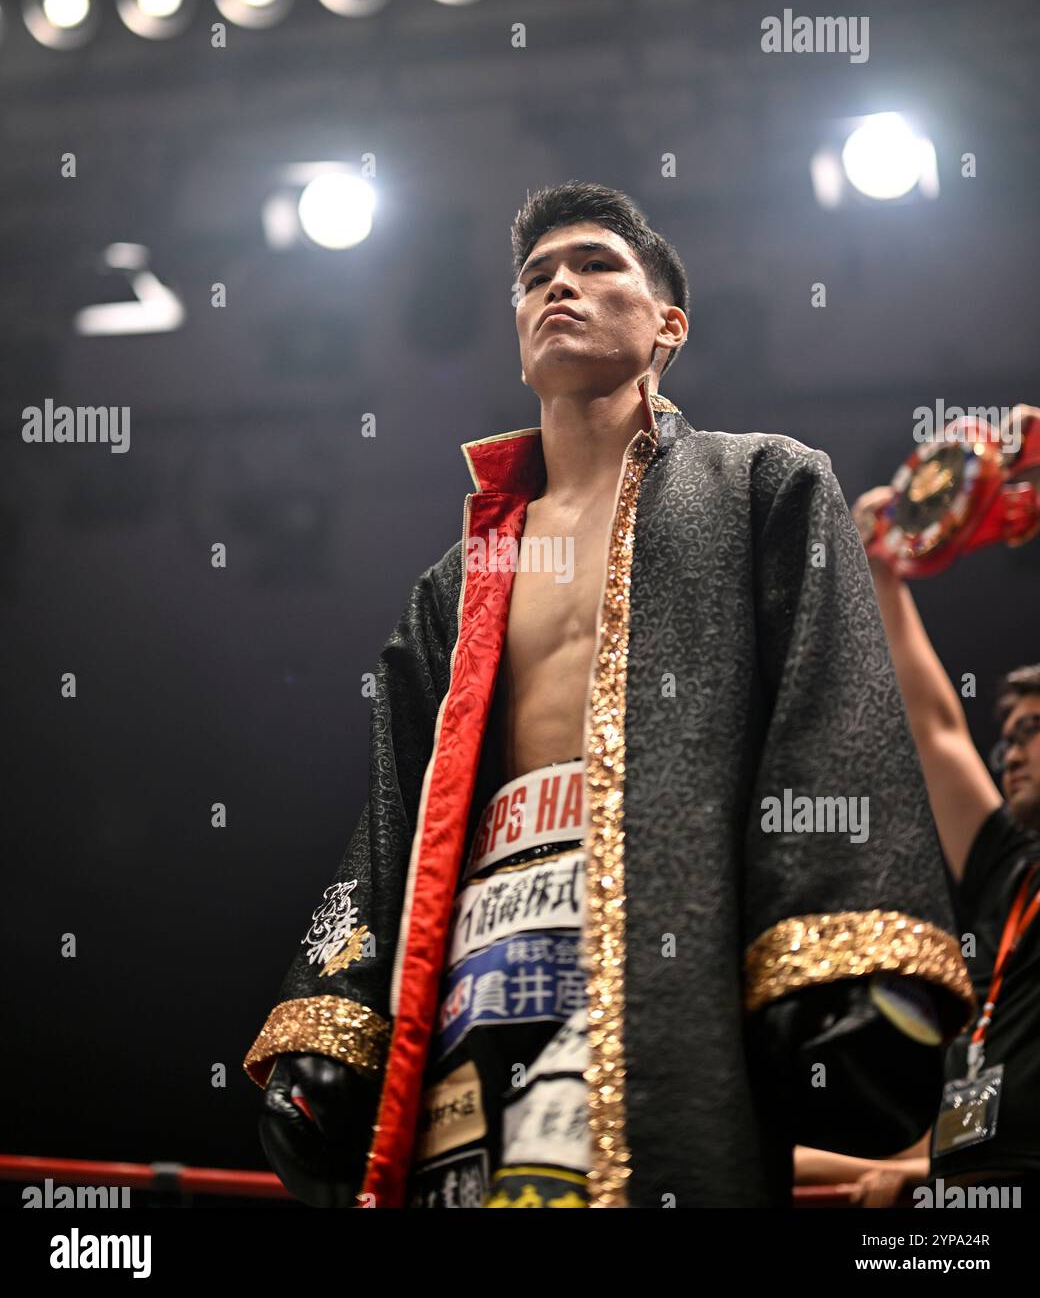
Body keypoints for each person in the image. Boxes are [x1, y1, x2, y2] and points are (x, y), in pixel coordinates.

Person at [243, 180, 975, 1208]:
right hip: (474, 957)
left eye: (593, 265)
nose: (558, 286)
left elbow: (828, 713)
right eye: (536, 277)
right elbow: (395, 811)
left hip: (665, 939)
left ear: (667, 324)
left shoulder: (763, 483)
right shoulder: (458, 577)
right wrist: (336, 1014)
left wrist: (841, 949)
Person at [853, 458, 1040, 1207]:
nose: (1013, 751)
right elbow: (934, 732)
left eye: (1032, 731)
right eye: (1010, 733)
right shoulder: (1012, 869)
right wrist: (881, 575)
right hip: (960, 1194)